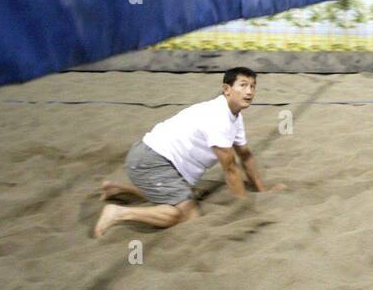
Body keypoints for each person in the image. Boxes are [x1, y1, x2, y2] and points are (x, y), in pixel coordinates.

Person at [94, 66, 282, 237]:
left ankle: (116, 189)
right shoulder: (218, 117)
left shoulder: (233, 114)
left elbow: (245, 155)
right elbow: (230, 168)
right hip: (151, 160)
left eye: (253, 86)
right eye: (243, 85)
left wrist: (261, 190)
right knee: (187, 214)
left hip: (157, 159)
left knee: (186, 192)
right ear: (227, 89)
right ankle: (119, 213)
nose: (249, 91)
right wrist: (244, 209)